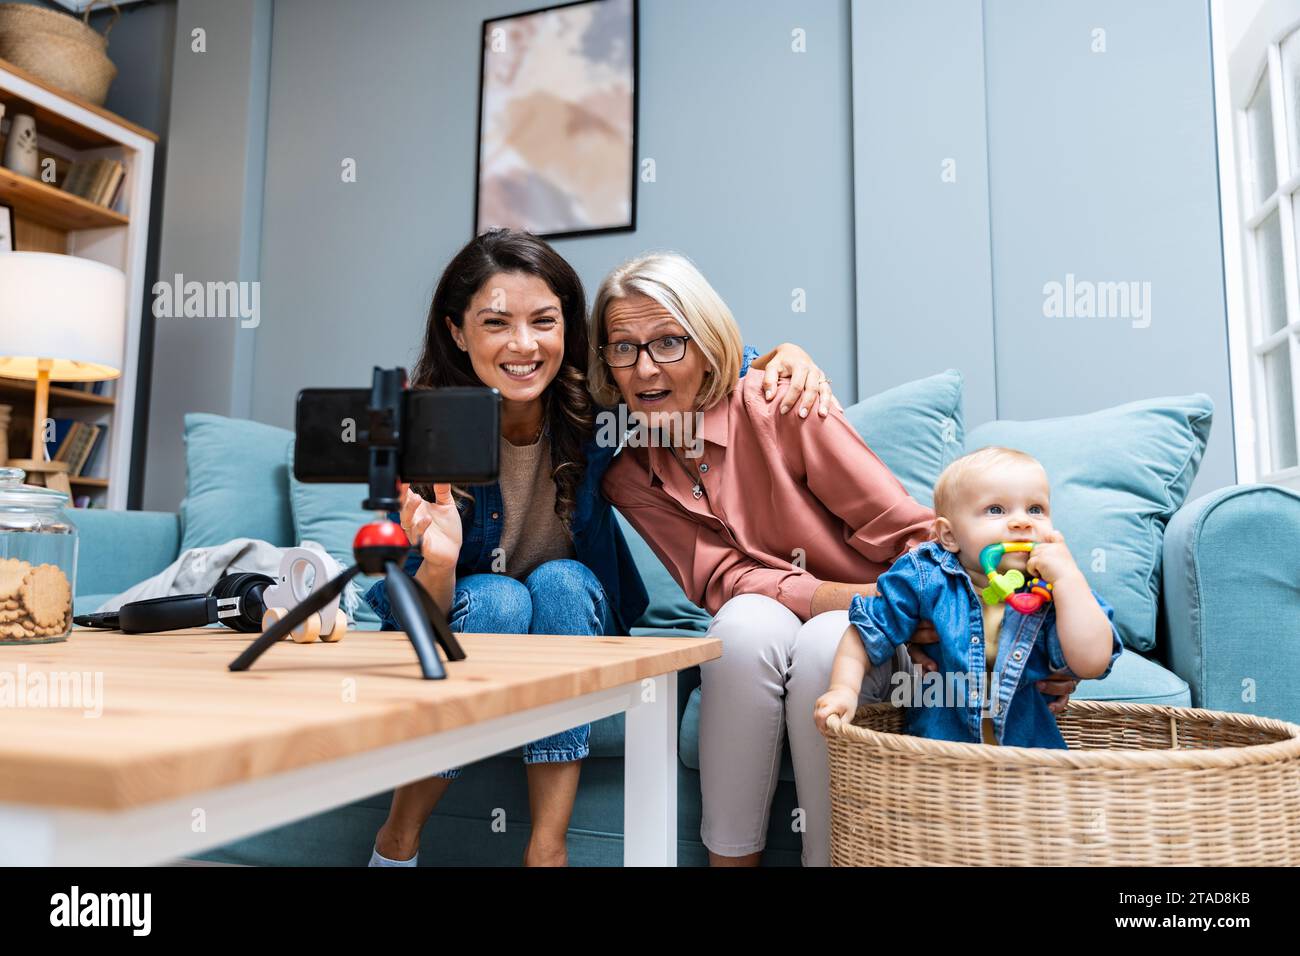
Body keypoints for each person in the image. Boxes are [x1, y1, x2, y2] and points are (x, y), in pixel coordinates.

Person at [595, 252, 1082, 866]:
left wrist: (974, 627)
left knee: (828, 641)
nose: (645, 368)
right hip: (785, 609)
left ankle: (833, 859)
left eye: (669, 342)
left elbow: (905, 531)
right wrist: (844, 597)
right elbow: (722, 578)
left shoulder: (784, 405)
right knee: (738, 629)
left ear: (708, 344)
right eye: (623, 347)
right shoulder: (628, 473)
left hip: (886, 618)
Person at [366, 229, 833, 867]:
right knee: (499, 596)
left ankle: (546, 851)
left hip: (571, 612)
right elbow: (419, 615)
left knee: (559, 580)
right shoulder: (422, 427)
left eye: (544, 321)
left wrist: (788, 353)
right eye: (496, 323)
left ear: (569, 329)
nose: (523, 345)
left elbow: (707, 364)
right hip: (458, 613)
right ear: (456, 332)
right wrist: (442, 561)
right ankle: (398, 841)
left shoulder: (598, 406)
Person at [816, 446, 1122, 747]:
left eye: (1036, 509)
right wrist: (843, 688)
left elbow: (1091, 663)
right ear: (949, 536)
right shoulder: (926, 576)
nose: (1022, 522)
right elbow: (867, 631)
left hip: (1029, 759)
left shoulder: (1052, 585)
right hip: (940, 756)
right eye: (996, 510)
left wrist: (1070, 580)